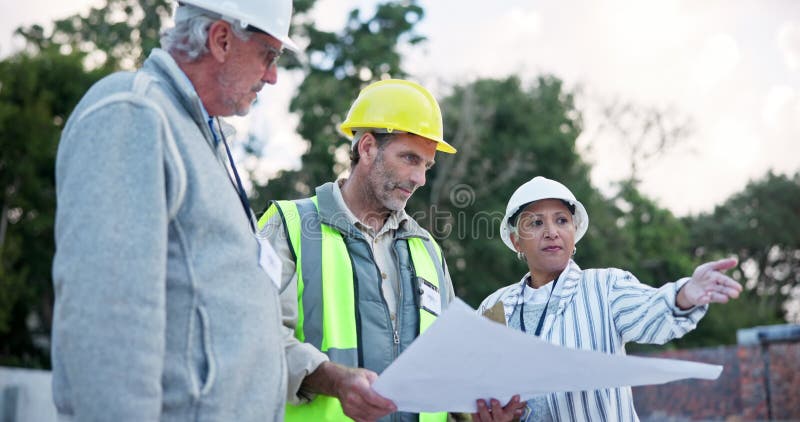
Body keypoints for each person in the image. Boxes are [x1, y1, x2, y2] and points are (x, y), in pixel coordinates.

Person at [51, 1, 301, 420]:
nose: (272, 76)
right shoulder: (133, 114)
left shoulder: (195, 135)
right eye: (268, 55)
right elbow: (107, 325)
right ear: (221, 39)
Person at [259, 79, 524, 422]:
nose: (419, 179)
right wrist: (334, 380)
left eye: (426, 166)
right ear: (367, 148)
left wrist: (480, 413)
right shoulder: (289, 226)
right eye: (410, 159)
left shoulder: (427, 251)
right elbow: (253, 339)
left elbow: (448, 368)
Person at [476, 176, 743, 421]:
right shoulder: (494, 307)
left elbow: (650, 313)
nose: (551, 232)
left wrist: (684, 295)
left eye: (561, 220)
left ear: (574, 232)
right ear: (516, 241)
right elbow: (474, 387)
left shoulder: (605, 287)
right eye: (536, 223)